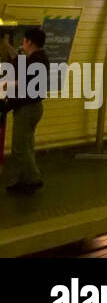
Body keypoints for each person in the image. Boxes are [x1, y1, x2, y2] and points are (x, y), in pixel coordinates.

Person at [4, 27, 50, 193]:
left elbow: (23, 81)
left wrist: (7, 86)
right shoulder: (38, 58)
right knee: (27, 145)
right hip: (33, 107)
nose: (22, 42)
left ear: (29, 41)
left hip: (27, 108)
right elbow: (20, 64)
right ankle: (25, 178)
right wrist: (6, 45)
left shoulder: (36, 60)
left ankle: (32, 179)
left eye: (24, 40)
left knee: (20, 146)